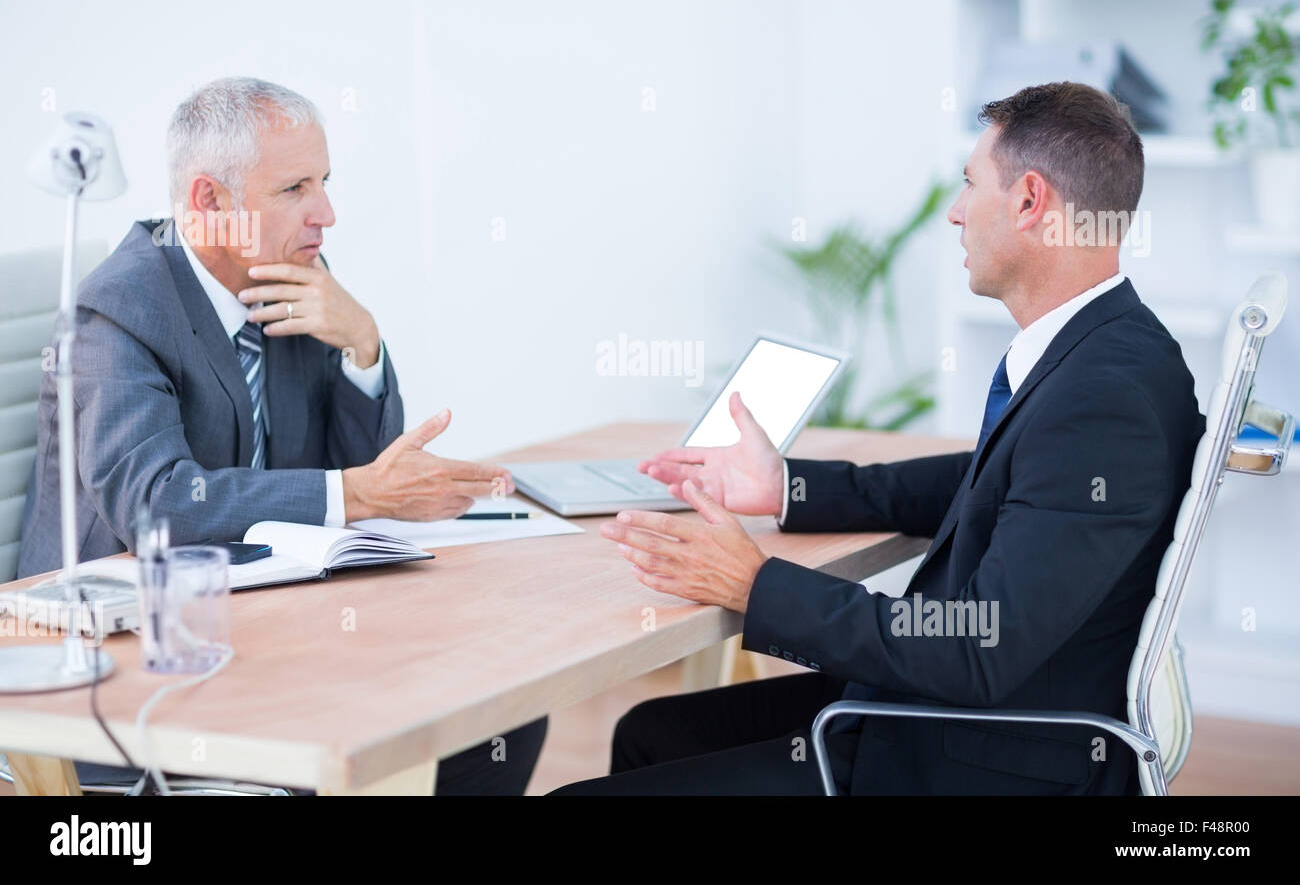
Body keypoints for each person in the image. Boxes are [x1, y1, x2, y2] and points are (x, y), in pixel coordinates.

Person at [553, 82, 1204, 795]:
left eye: (969, 185)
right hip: (966, 720)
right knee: (649, 734)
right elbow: (994, 483)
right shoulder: (1110, 350)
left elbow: (976, 649)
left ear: (1028, 202)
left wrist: (756, 583)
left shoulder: (1102, 398)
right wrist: (788, 488)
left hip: (975, 759)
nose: (956, 213)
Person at [18, 76, 544, 795]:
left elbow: (365, 480)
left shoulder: (289, 279)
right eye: (295, 187)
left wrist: (363, 343)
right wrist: (356, 492)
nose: (326, 214)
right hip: (131, 676)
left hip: (273, 625)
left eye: (324, 181)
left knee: (503, 715)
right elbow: (157, 505)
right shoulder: (117, 308)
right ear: (209, 202)